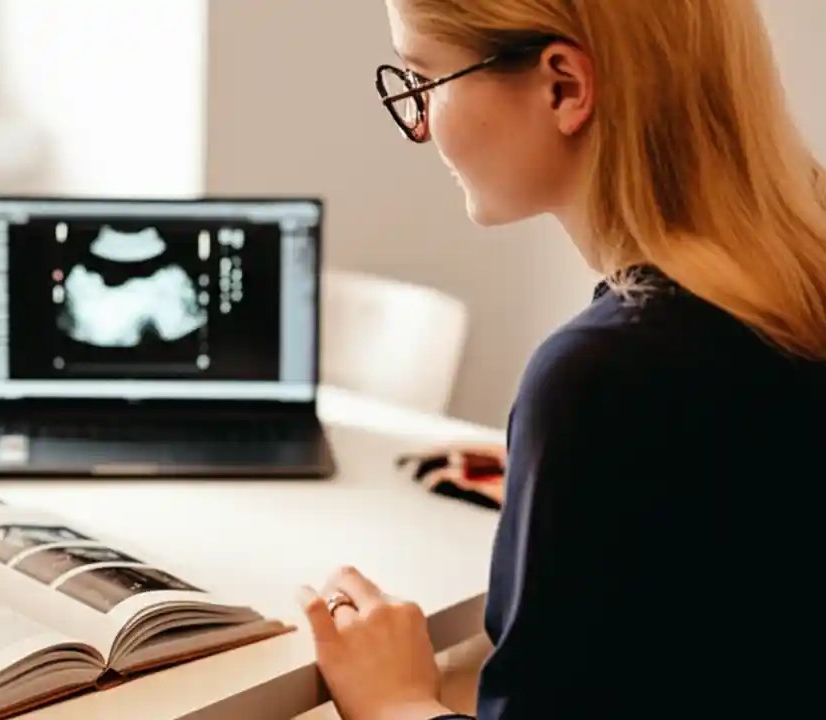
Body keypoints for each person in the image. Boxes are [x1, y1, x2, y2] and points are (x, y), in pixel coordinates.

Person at [299, 1, 826, 718]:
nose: (420, 126)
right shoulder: (793, 282)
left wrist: (394, 700)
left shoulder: (603, 377)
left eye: (425, 80)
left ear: (565, 88)